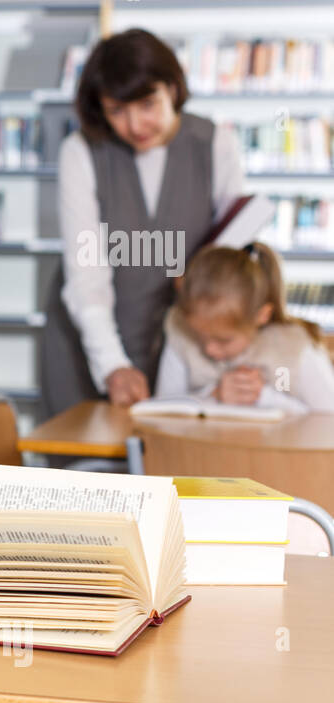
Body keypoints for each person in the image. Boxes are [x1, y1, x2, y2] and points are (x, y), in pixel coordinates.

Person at [44, 28, 245, 415]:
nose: (135, 125)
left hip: (185, 346)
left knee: (180, 461)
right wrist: (113, 365)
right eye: (117, 110)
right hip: (89, 343)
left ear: (171, 87)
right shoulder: (81, 152)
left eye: (147, 104)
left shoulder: (215, 143)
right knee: (88, 467)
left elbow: (231, 261)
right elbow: (88, 278)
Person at [156, 241, 334, 413]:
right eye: (200, 337)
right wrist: (214, 395)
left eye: (223, 340)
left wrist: (263, 396)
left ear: (261, 316)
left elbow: (326, 417)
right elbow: (163, 408)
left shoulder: (286, 356)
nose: (210, 349)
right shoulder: (182, 336)